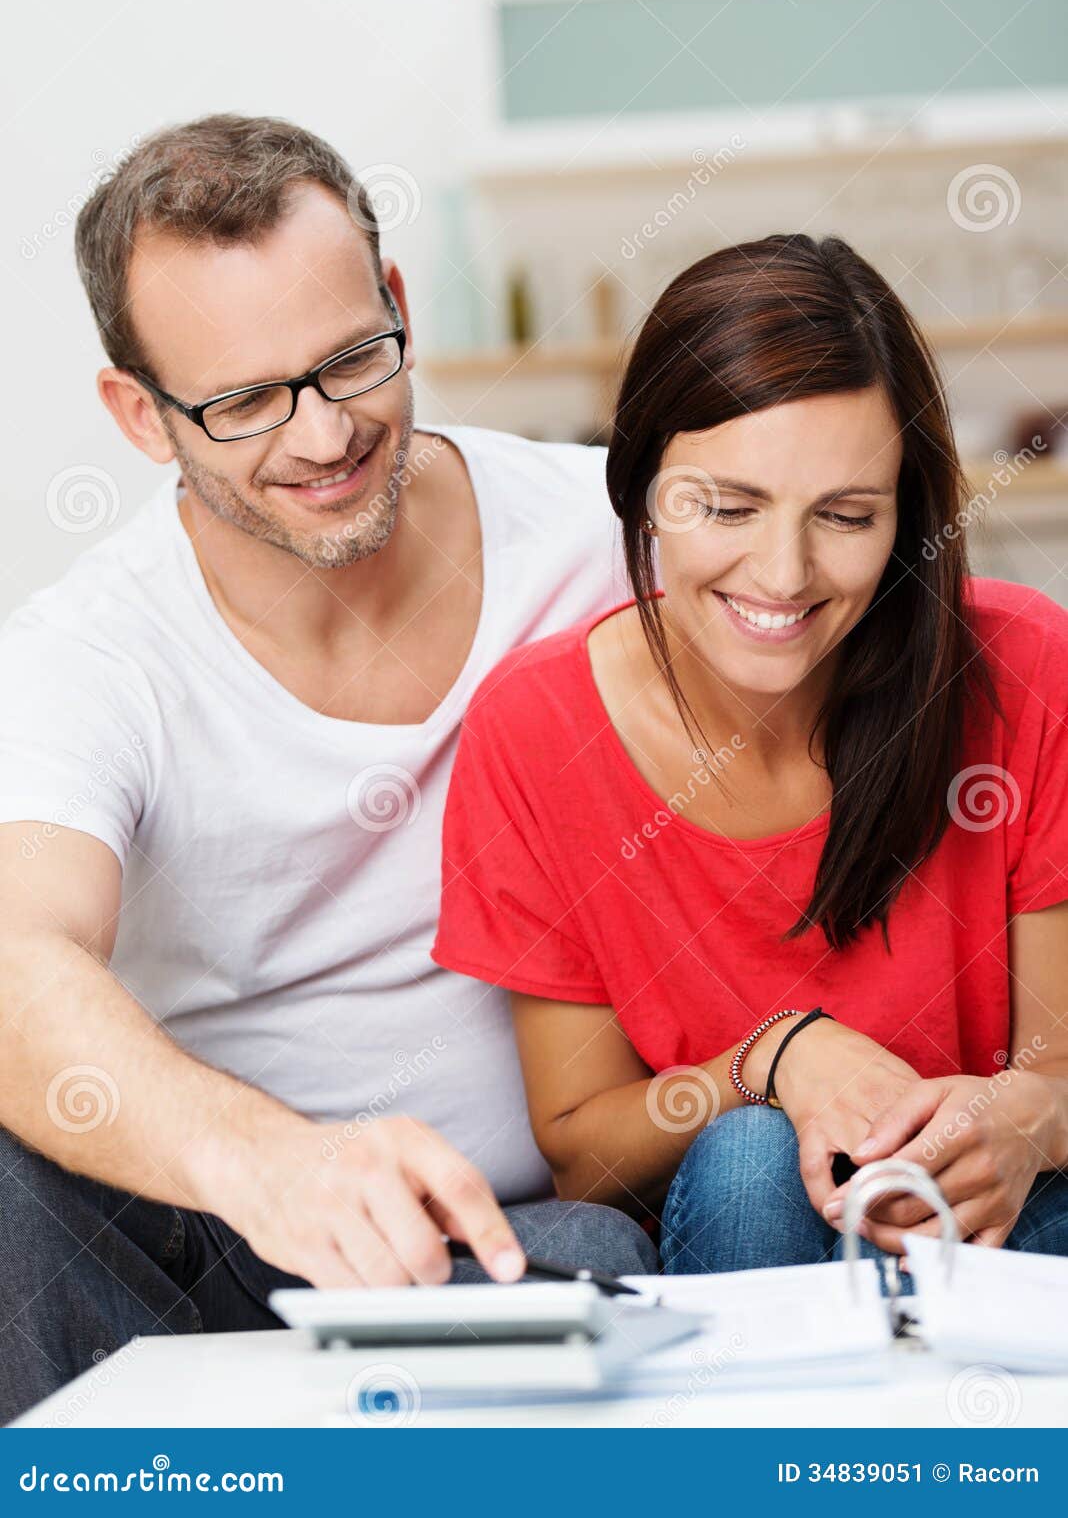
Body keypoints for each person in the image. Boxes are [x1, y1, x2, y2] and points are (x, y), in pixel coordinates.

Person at [0, 114, 654, 1424]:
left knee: (590, 1247)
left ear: (396, 300)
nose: (323, 436)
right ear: (140, 416)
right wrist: (272, 1164)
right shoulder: (94, 650)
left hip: (507, 1233)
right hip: (208, 1234)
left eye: (352, 359)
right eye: (244, 400)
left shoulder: (602, 535)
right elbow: (19, 957)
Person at [433, 232, 1068, 1273]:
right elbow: (584, 1157)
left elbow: (1060, 1070)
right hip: (742, 1240)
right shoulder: (536, 728)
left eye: (846, 516)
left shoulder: (1025, 665)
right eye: (727, 507)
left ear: (906, 516)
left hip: (993, 1239)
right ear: (640, 488)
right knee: (751, 1158)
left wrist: (1028, 1119)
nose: (783, 574)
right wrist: (770, 1061)